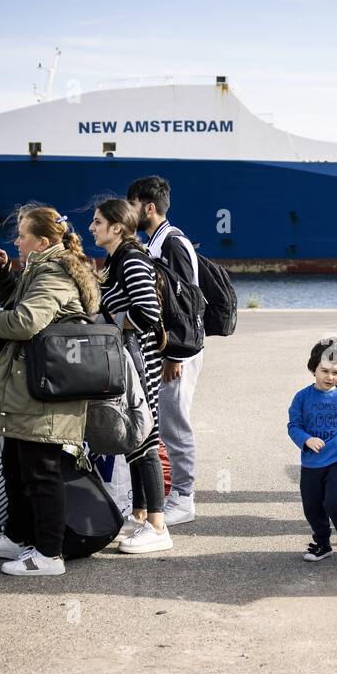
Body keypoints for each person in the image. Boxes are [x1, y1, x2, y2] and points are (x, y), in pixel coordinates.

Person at [0, 205, 99, 577]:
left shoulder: (54, 273)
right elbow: (22, 302)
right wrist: (6, 271)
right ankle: (18, 535)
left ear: (42, 242)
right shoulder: (40, 269)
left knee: (41, 473)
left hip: (45, 391)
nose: (17, 240)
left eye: (22, 236)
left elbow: (26, 321)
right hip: (32, 389)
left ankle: (48, 554)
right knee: (17, 466)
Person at [90, 198, 172, 554]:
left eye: (97, 222)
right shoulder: (115, 260)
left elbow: (149, 312)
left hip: (140, 362)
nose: (91, 228)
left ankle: (157, 524)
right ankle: (140, 515)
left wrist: (117, 331)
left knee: (145, 438)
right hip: (130, 358)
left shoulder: (131, 259)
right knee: (134, 436)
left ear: (117, 228)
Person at [128, 176, 201, 526]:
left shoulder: (172, 244)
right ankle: (174, 495)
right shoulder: (157, 243)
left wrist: (175, 355)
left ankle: (184, 498)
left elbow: (186, 304)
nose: (130, 212)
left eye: (133, 205)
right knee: (163, 423)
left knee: (175, 423)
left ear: (149, 207)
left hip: (177, 351)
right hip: (167, 348)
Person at [288, 338, 337, 563]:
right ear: (313, 368)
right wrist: (307, 439)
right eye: (325, 371)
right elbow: (294, 426)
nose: (330, 377)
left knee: (336, 502)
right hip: (311, 462)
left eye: (336, 372)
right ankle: (322, 543)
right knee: (312, 507)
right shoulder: (301, 397)